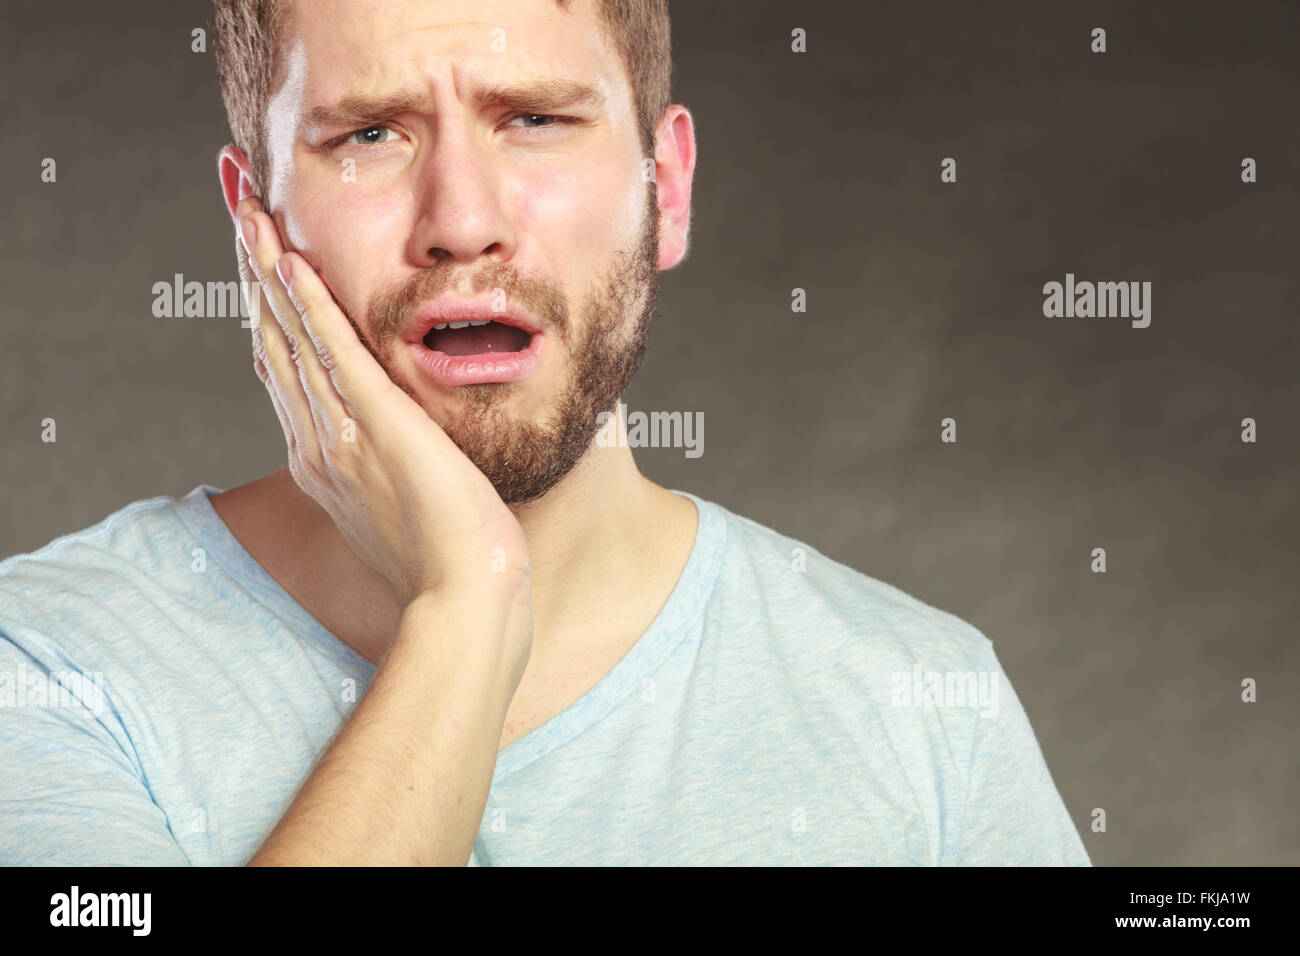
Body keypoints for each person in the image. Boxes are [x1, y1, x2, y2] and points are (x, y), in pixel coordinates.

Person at [0, 0, 1090, 865]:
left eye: (534, 118)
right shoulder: (45, 668)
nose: (462, 220)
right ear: (255, 223)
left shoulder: (924, 703)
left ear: (666, 186)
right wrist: (468, 601)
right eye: (369, 133)